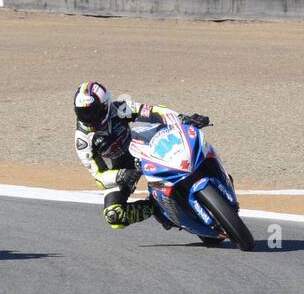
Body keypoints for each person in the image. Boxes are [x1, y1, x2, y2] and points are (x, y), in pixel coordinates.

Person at [73, 82, 211, 229]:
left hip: (141, 146)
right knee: (114, 216)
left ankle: (208, 169)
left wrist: (183, 119)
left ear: (105, 105)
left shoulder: (119, 109)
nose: (89, 117)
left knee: (183, 147)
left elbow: (153, 112)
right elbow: (98, 176)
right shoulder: (82, 140)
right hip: (120, 169)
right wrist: (120, 175)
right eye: (83, 112)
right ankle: (157, 207)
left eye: (93, 111)